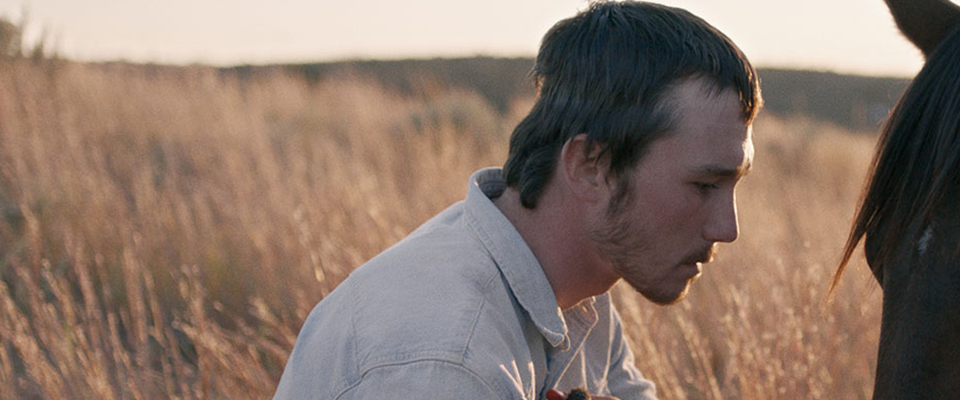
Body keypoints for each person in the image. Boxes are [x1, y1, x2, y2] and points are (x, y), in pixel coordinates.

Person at [272, 1, 761, 399]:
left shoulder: (579, 288)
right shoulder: (446, 366)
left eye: (735, 184)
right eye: (703, 186)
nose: (727, 228)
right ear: (591, 167)